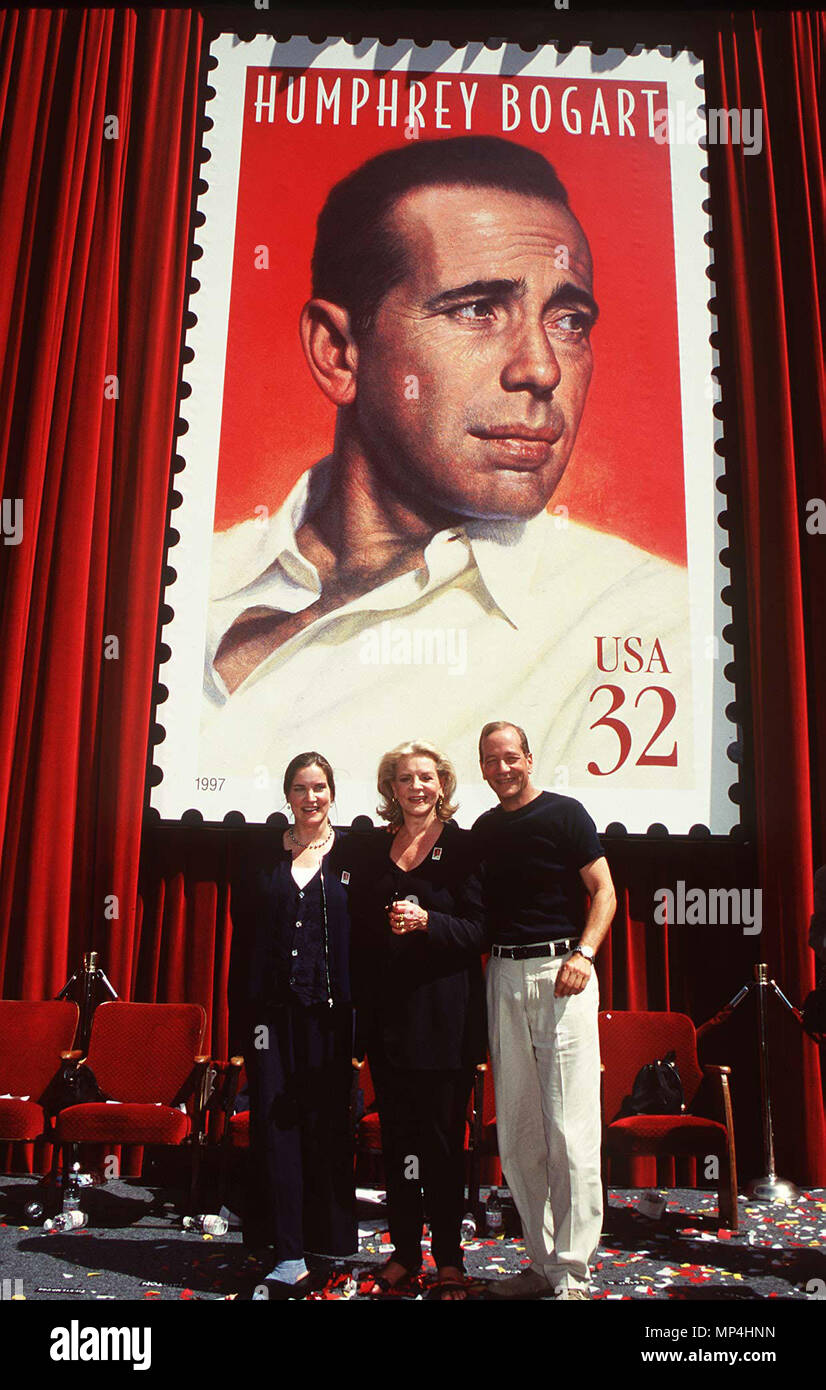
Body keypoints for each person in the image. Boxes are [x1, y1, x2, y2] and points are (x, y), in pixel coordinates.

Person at [202, 135, 689, 820]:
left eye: (569, 319)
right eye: (477, 310)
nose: (543, 369)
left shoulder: (651, 626)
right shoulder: (186, 581)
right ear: (339, 352)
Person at [471, 719, 615, 1299]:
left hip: (563, 975)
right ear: (481, 767)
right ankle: (540, 1263)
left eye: (510, 758)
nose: (501, 768)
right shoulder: (482, 829)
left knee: (571, 1130)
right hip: (502, 974)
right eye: (490, 760)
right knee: (521, 1131)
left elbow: (603, 890)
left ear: (529, 758)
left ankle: (573, 1272)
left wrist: (584, 953)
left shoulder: (566, 814)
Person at [347, 740, 486, 1300]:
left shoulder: (465, 848)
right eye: (405, 779)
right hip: (390, 1025)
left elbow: (480, 930)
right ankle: (405, 1253)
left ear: (443, 785)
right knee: (400, 1144)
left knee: (444, 1145)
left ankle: (449, 1259)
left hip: (446, 1022)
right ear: (391, 789)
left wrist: (430, 921)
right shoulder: (371, 851)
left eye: (426, 778)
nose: (417, 788)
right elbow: (357, 937)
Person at [228, 752, 357, 1298]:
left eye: (320, 787)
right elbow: (243, 938)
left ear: (332, 793)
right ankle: (285, 1250)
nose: (311, 798)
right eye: (301, 788)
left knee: (326, 1123)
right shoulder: (259, 855)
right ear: (287, 795)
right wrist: (243, 1022)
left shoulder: (356, 854)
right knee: (276, 1128)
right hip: (270, 1020)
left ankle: (326, 1244)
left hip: (331, 1020)